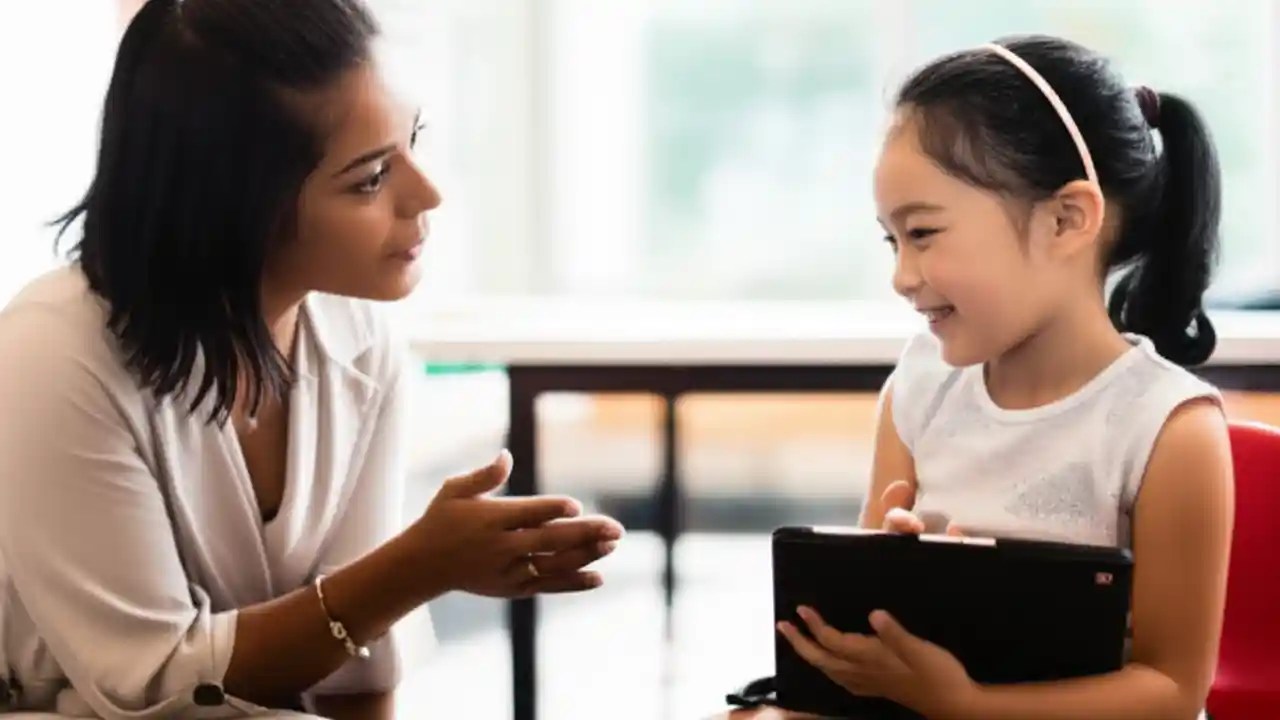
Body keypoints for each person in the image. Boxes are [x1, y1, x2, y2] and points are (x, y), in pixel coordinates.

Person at [0, 0, 623, 717]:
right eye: (369, 178)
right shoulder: (51, 357)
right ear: (236, 205)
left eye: (413, 140)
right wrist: (417, 567)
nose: (427, 195)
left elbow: (357, 674)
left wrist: (408, 574)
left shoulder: (357, 337)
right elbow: (154, 686)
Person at [776, 35, 1233, 720]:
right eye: (891, 241)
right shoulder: (920, 386)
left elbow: (1171, 691)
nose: (901, 277)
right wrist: (895, 587)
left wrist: (968, 705)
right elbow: (867, 651)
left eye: (924, 233)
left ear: (1065, 219)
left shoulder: (1170, 430)